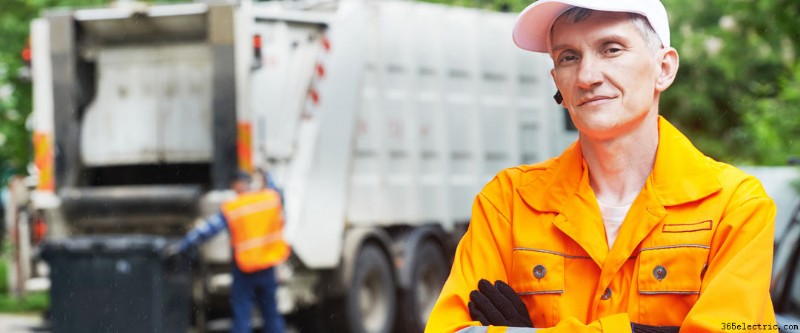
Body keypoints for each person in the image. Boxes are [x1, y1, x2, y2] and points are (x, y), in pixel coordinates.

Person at [425, 0, 776, 332]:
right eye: (568, 57)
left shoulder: (735, 207)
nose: (587, 76)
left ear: (664, 68)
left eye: (611, 49)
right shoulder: (508, 204)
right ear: (556, 83)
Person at [166, 170, 289, 333]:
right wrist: (265, 172)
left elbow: (207, 230)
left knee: (242, 316)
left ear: (237, 185)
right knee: (271, 315)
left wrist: (183, 245)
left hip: (245, 270)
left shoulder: (234, 207)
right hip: (267, 267)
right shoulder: (270, 199)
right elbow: (276, 190)